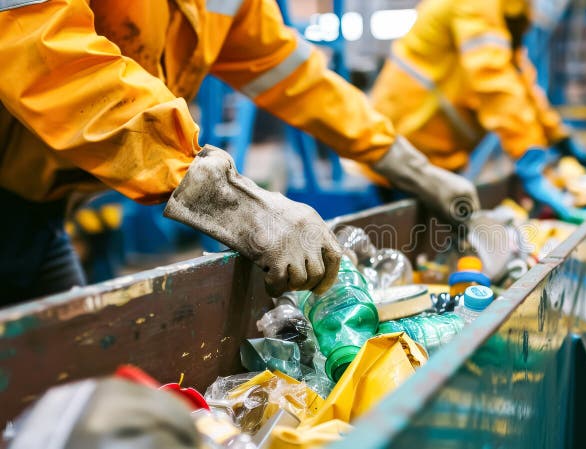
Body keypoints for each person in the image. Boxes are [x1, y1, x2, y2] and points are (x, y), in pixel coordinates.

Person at [0, 0, 478, 303]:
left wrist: (407, 164)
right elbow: (51, 60)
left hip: (35, 213)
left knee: (63, 395)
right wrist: (232, 201)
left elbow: (296, 76)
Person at [367, 0, 586, 223]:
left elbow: (518, 81)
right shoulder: (478, 4)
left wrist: (557, 134)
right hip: (404, 149)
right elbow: (494, 81)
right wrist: (527, 154)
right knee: (400, 233)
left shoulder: (503, 11)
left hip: (434, 154)